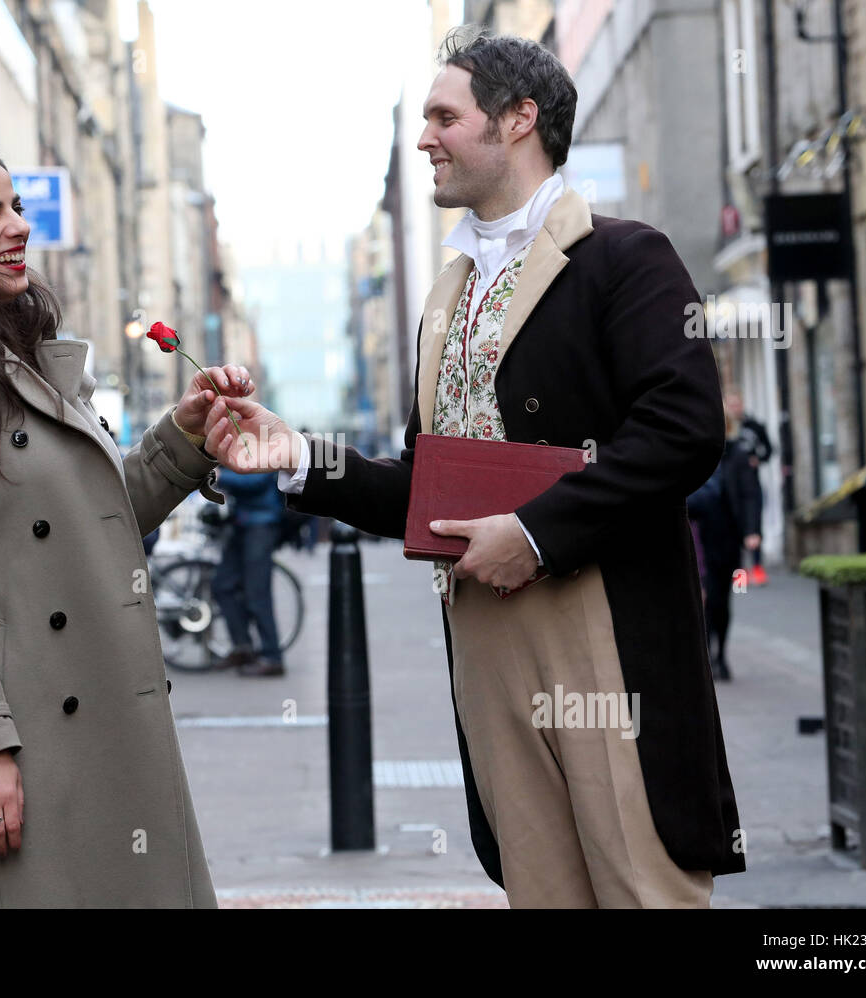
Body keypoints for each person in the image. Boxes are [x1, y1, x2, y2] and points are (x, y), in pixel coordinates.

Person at [201, 30, 744, 907]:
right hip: (482, 639)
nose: (426, 140)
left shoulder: (624, 257)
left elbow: (685, 430)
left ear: (518, 121)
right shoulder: (449, 294)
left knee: (642, 888)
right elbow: (429, 487)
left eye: (445, 118)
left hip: (599, 623)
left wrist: (536, 533)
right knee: (541, 892)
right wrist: (298, 454)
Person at [0, 142, 254, 908]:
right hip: (20, 737)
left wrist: (185, 434)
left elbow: (92, 525)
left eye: (19, 207)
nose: (18, 228)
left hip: (100, 724)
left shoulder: (18, 360)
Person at [689, 426, 762, 682]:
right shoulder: (692, 453)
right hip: (700, 539)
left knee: (723, 600)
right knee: (707, 598)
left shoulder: (737, 456)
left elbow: (751, 494)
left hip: (729, 538)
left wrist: (752, 530)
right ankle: (707, 655)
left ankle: (720, 654)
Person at [210, 468, 285, 676]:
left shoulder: (262, 439)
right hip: (242, 521)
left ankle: (272, 658)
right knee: (222, 585)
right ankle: (243, 647)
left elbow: (258, 480)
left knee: (257, 593)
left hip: (262, 523)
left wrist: (222, 476)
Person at [726, 392, 771, 586]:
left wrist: (757, 460)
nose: (735, 408)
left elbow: (768, 449)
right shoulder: (724, 435)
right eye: (731, 404)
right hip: (730, 490)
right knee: (735, 531)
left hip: (750, 481)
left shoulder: (754, 426)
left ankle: (758, 568)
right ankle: (740, 576)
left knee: (754, 527)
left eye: (738, 404)